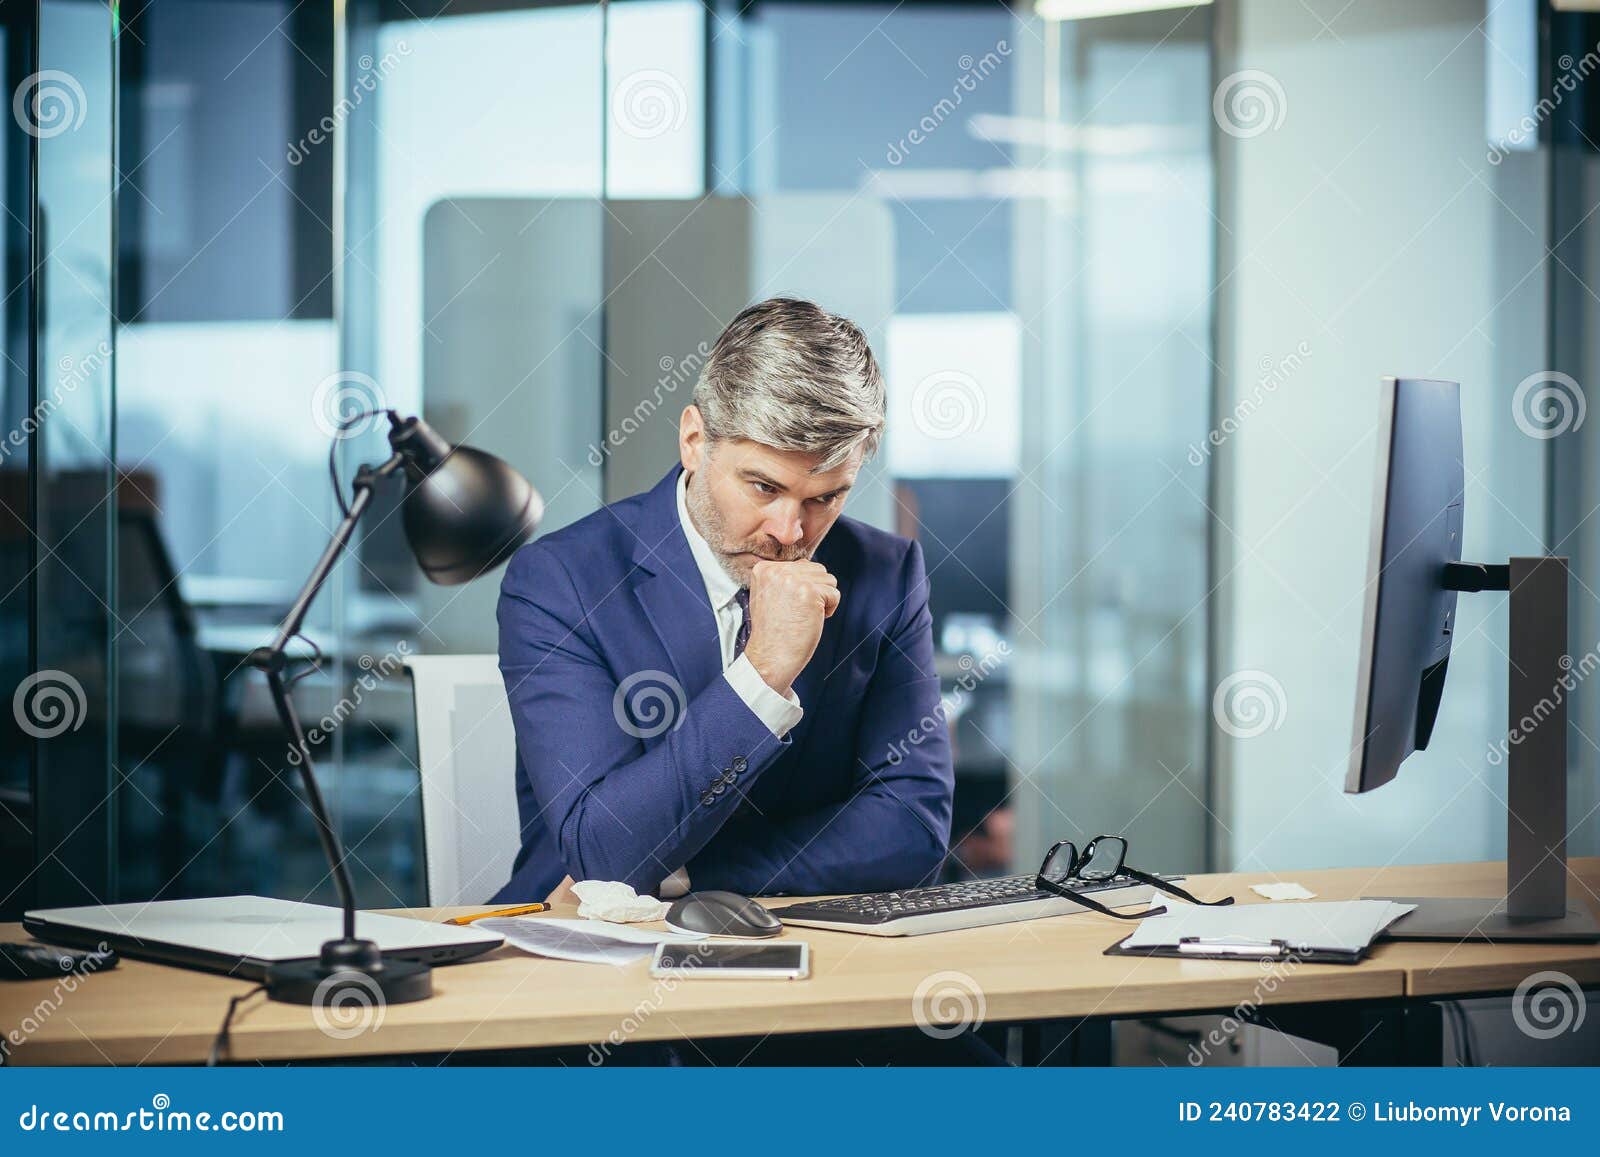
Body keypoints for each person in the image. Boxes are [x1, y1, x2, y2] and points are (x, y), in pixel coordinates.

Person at [493, 296, 953, 904]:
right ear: (693, 440)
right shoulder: (561, 581)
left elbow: (913, 829)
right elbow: (604, 853)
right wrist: (763, 675)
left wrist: (687, 876)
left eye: (825, 498)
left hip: (803, 945)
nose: (790, 532)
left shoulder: (885, 575)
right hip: (580, 948)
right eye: (764, 486)